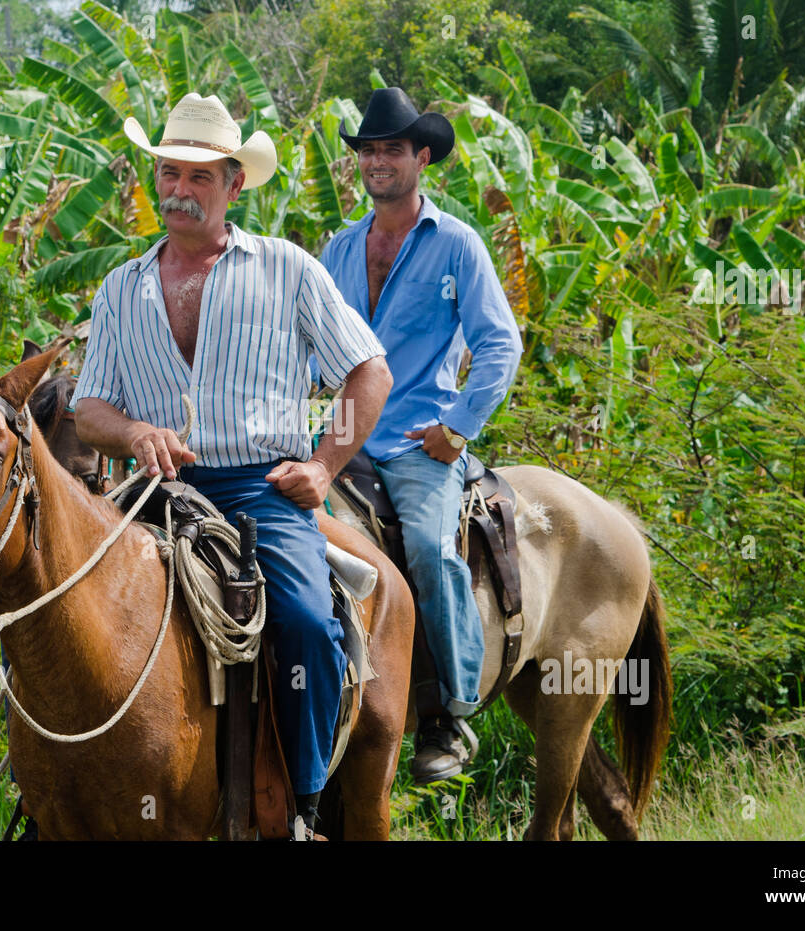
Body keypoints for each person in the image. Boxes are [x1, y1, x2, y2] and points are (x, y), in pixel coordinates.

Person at [68, 93, 392, 834]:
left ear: (234, 185)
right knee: (59, 605)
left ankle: (305, 806)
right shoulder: (120, 288)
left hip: (261, 490)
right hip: (154, 489)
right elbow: (90, 408)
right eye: (169, 174)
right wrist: (136, 431)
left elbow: (368, 371)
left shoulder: (287, 270)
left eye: (199, 178)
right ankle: (56, 790)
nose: (179, 192)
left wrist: (324, 465)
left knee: (309, 623)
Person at [320, 87, 522, 784]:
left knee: (433, 552)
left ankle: (448, 714)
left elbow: (501, 343)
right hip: (342, 433)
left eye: (392, 150)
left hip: (416, 438)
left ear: (421, 157)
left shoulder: (457, 243)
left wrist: (460, 427)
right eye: (369, 151)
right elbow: (307, 347)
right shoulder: (338, 249)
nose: (378, 162)